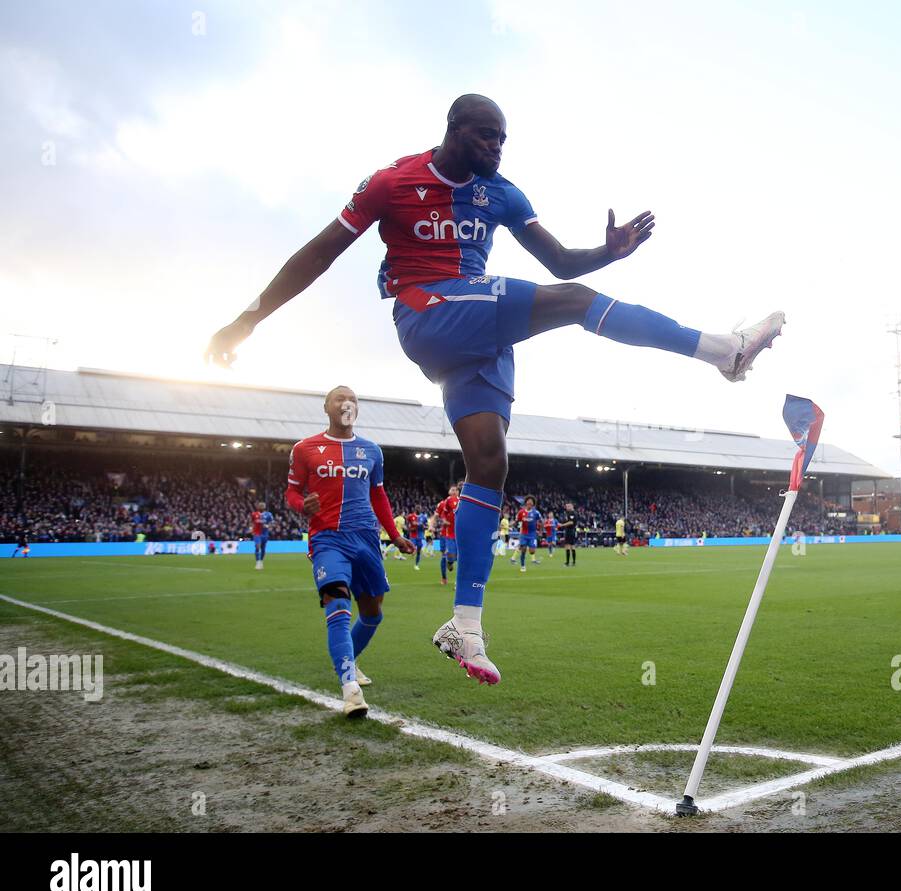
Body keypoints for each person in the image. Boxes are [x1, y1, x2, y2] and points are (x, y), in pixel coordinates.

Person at [206, 94, 785, 686]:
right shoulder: (392, 182)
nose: (497, 147)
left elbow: (559, 261)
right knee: (577, 307)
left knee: (489, 462)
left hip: (479, 337)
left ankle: (465, 626)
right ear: (453, 130)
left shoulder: (503, 193)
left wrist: (608, 254)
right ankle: (725, 351)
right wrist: (247, 320)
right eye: (486, 136)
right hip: (428, 313)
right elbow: (319, 254)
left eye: (503, 138)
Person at [284, 386, 414, 718]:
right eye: (340, 399)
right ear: (326, 407)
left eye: (353, 399)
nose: (347, 403)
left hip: (366, 539)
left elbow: (379, 497)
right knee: (337, 603)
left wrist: (395, 536)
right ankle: (349, 689)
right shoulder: (305, 449)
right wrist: (303, 506)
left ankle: (349, 661)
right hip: (328, 538)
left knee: (372, 613)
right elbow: (292, 492)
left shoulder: (371, 451)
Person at [434, 483, 461, 586]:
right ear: (449, 491)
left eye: (456, 490)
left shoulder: (462, 502)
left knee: (460, 557)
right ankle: (444, 577)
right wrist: (433, 525)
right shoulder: (443, 503)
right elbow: (437, 516)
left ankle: (458, 582)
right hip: (445, 534)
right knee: (447, 556)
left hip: (459, 535)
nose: (454, 492)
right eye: (452, 490)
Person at [515, 495, 542, 572]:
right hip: (523, 534)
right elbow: (517, 521)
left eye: (531, 501)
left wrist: (540, 532)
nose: (529, 502)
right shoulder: (521, 512)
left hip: (532, 534)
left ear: (533, 504)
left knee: (532, 551)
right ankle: (523, 566)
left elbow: (541, 522)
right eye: (528, 501)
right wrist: (511, 524)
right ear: (526, 502)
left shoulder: (536, 513)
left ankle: (530, 547)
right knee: (523, 550)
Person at [251, 501, 273, 570]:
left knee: (263, 548)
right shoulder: (254, 514)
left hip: (265, 534)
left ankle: (261, 561)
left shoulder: (268, 514)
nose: (261, 507)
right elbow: (252, 522)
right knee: (257, 546)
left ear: (264, 507)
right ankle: (257, 562)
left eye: (262, 506)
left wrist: (268, 526)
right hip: (257, 533)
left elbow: (272, 523)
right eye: (260, 506)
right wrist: (252, 529)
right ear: (258, 507)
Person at [560, 502, 579, 567]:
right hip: (569, 531)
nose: (567, 508)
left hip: (570, 531)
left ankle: (568, 562)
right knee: (571, 546)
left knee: (569, 546)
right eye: (566, 506)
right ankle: (573, 562)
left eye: (568, 506)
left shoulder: (572, 513)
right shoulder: (568, 513)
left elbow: (571, 522)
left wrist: (562, 525)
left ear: (571, 506)